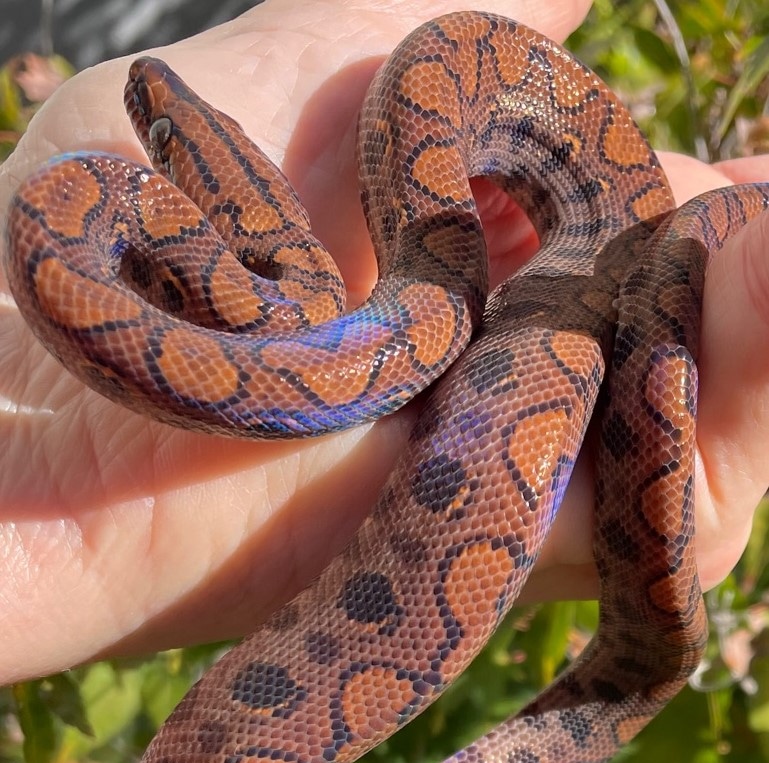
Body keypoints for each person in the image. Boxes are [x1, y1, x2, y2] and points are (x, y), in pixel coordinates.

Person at [1, 0, 768, 685]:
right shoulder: (307, 296)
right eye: (169, 143)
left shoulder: (306, 293)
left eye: (163, 144)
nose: (151, 87)